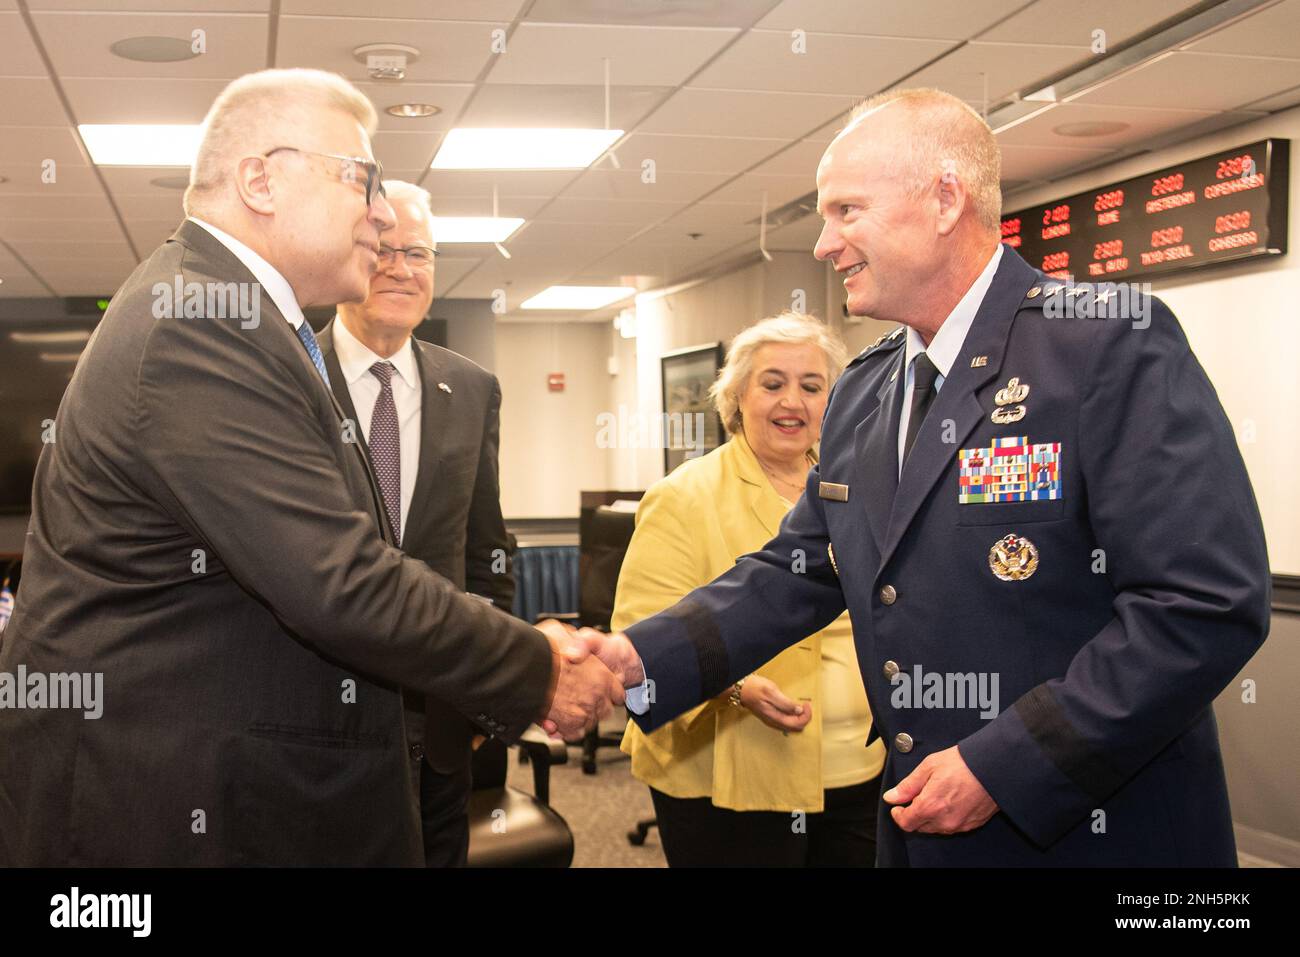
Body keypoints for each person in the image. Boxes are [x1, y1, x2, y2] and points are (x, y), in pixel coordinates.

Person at [582, 87, 1270, 866]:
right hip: (919, 826)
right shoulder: (864, 388)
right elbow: (799, 569)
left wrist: (1005, 762)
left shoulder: (1102, 347)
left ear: (946, 199)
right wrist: (638, 658)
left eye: (847, 211)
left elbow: (1203, 604)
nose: (824, 244)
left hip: (1089, 831)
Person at [0, 68, 620, 867]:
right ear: (260, 180)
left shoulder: (246, 320)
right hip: (166, 808)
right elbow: (342, 580)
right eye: (361, 179)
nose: (384, 211)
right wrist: (536, 667)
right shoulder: (197, 324)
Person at [615, 312, 886, 867]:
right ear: (738, 397)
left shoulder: (861, 488)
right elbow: (637, 641)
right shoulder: (683, 496)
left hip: (858, 767)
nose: (793, 401)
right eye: (772, 384)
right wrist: (736, 689)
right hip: (727, 772)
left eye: (812, 387)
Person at [316, 179, 512, 867]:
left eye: (419, 253)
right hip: (318, 722)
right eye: (382, 248)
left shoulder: (474, 388)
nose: (400, 267)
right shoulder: (286, 375)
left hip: (441, 718)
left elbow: (488, 550)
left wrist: (487, 689)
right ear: (346, 257)